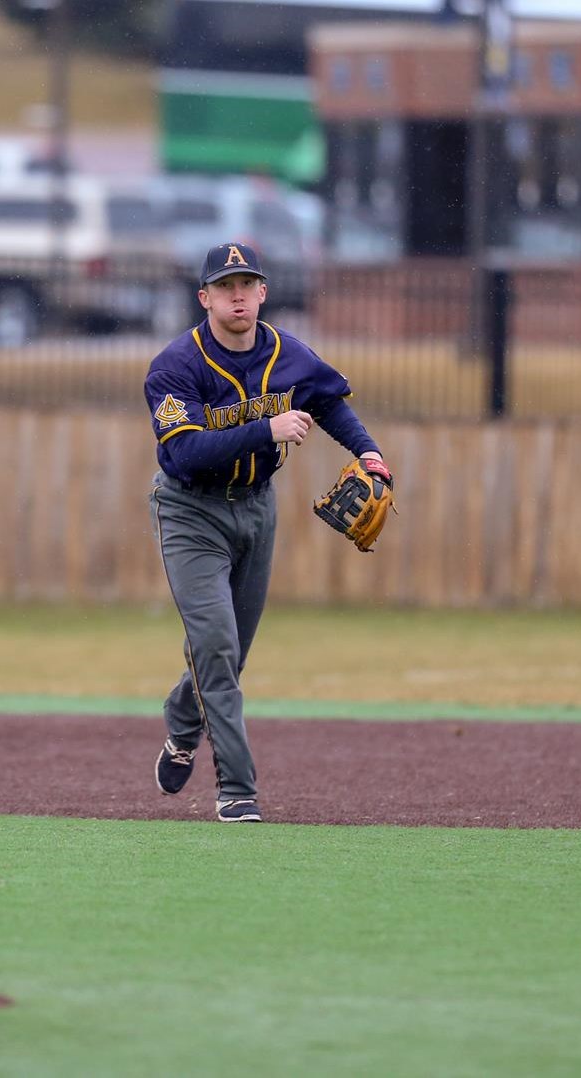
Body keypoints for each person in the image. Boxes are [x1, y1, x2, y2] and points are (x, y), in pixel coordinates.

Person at [143, 242, 390, 823]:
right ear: (204, 298)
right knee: (218, 647)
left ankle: (183, 720)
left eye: (246, 283)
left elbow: (329, 402)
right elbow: (186, 450)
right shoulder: (175, 366)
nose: (237, 294)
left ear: (263, 293)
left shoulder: (288, 353)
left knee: (228, 656)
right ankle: (237, 789)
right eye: (224, 285)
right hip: (189, 511)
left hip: (256, 510)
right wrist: (266, 427)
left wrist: (370, 454)